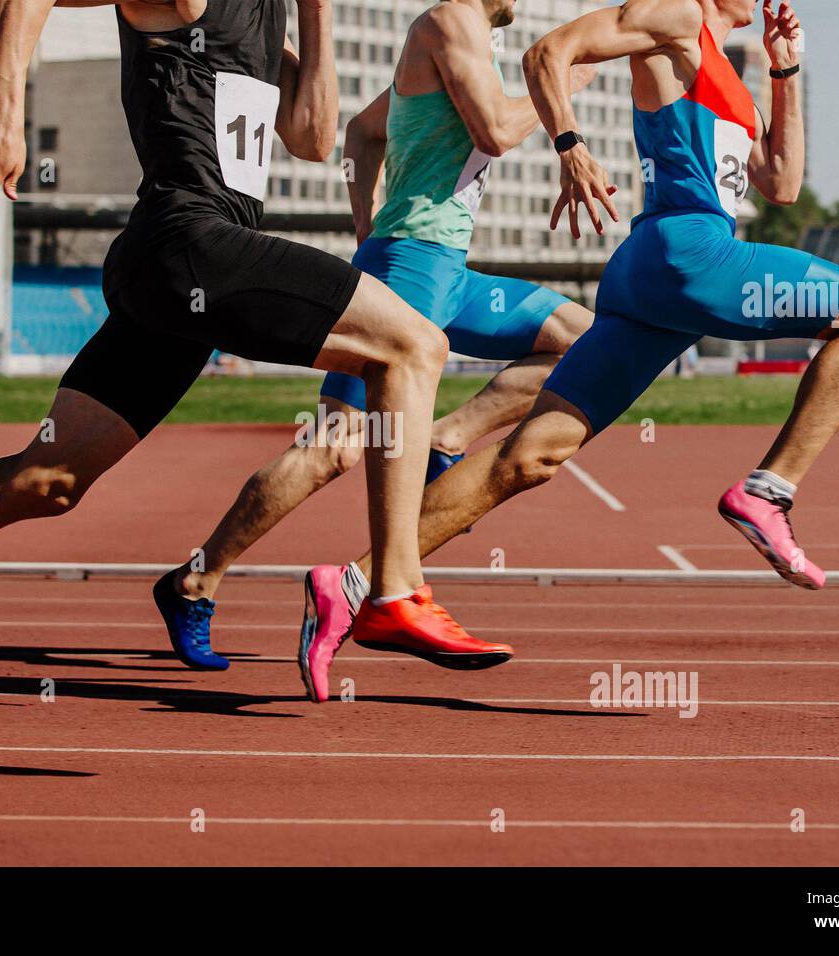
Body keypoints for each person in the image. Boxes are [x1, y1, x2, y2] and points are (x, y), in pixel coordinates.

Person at [0, 0, 486, 701]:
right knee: (413, 346)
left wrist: (316, 11)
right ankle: (393, 588)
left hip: (184, 279)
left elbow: (311, 137)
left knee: (46, 482)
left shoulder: (272, 22)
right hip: (184, 242)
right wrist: (7, 120)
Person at [297, 0, 839, 700]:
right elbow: (546, 55)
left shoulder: (728, 67)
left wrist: (786, 71)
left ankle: (355, 582)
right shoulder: (676, 15)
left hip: (651, 284)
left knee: (528, 459)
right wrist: (571, 146)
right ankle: (766, 491)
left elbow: (782, 181)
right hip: (693, 257)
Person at [154, 0, 599, 686]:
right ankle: (196, 577)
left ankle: (445, 439)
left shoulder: (466, 40)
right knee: (333, 447)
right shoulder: (450, 21)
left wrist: (368, 231)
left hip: (443, 269)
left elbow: (363, 135)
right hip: (412, 268)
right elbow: (498, 130)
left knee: (584, 340)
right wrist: (560, 85)